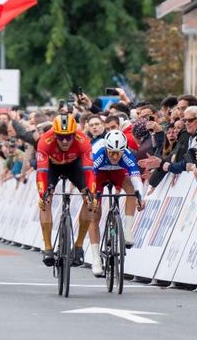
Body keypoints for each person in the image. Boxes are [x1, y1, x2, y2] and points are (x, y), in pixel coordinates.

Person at [36, 114, 97, 268]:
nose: (64, 141)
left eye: (69, 137)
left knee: (89, 199)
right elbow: (41, 172)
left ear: (74, 134)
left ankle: (78, 246)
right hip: (52, 167)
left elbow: (89, 171)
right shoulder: (44, 141)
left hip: (74, 166)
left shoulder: (83, 141)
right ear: (54, 134)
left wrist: (90, 193)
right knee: (45, 201)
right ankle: (48, 248)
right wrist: (43, 194)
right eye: (60, 137)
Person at [87, 130, 144, 276]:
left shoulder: (127, 154)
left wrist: (140, 197)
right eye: (111, 152)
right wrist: (92, 197)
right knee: (94, 213)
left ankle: (127, 231)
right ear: (106, 148)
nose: (114, 156)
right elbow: (90, 177)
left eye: (118, 153)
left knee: (131, 188)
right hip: (98, 175)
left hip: (117, 172)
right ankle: (96, 259)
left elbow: (136, 177)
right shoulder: (98, 153)